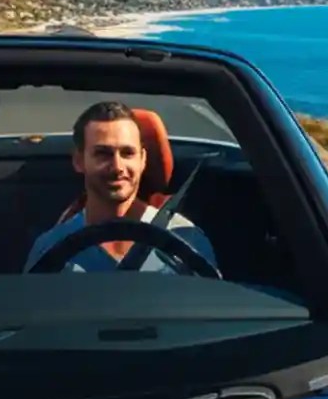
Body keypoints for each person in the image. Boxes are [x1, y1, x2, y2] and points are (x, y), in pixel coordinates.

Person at [23, 101, 215, 273]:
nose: (117, 167)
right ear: (79, 161)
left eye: (127, 153)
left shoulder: (187, 240)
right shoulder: (50, 249)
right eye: (102, 154)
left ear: (143, 160)